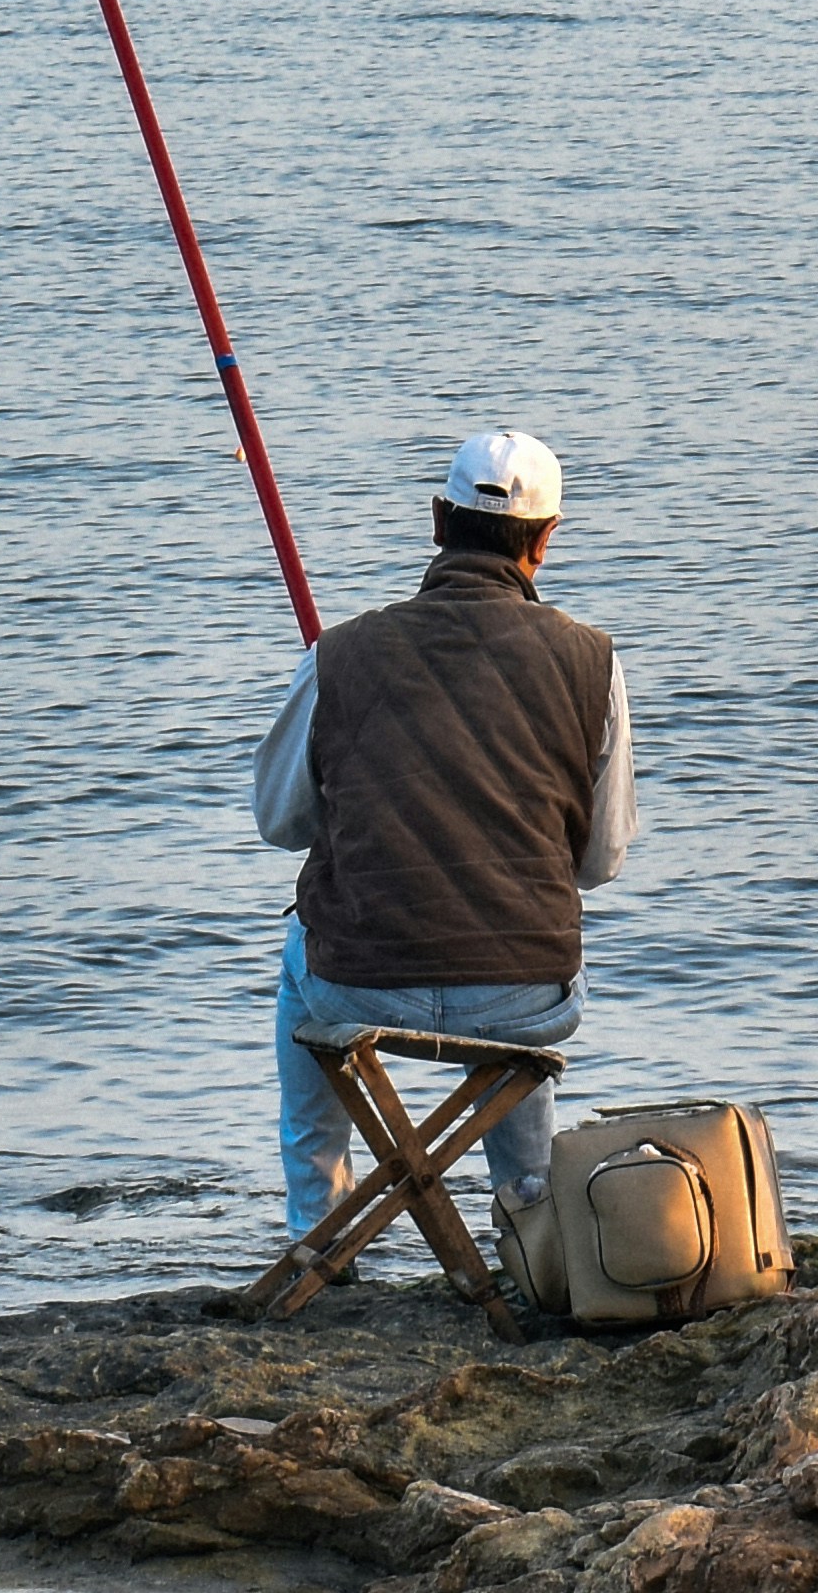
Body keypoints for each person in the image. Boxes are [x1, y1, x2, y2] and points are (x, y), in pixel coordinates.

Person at [253, 429, 635, 1278]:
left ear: (437, 521)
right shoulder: (593, 662)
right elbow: (601, 861)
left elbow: (280, 823)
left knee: (295, 959)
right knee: (525, 980)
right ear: (547, 538)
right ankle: (526, 1222)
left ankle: (322, 1237)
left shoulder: (340, 654)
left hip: (357, 982)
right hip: (520, 1001)